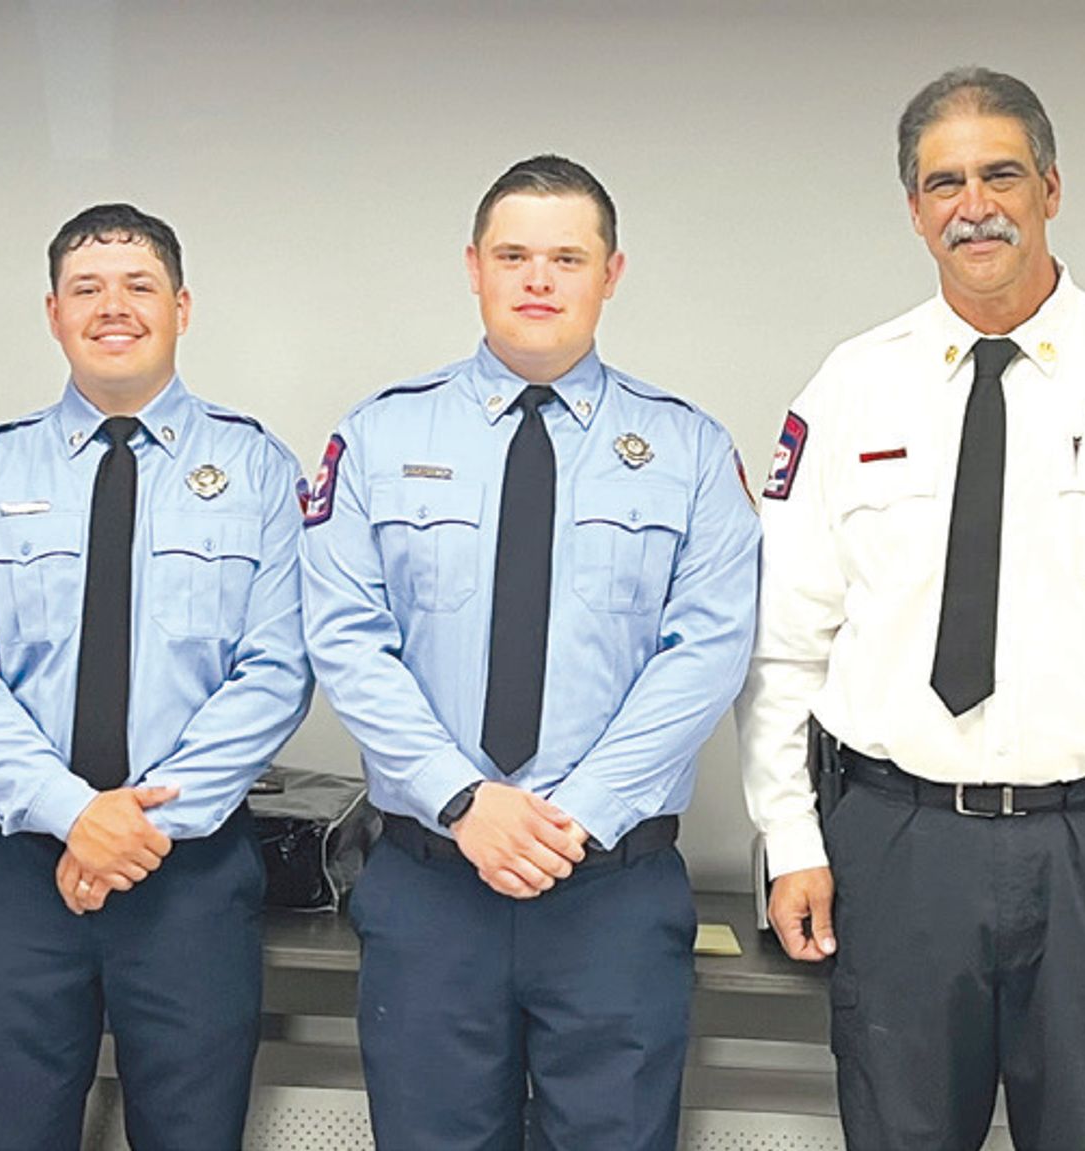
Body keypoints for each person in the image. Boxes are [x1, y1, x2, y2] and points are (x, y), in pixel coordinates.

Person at [738, 66, 1085, 1149]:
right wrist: (791, 835)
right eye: (944, 182)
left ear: (1053, 188)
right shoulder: (850, 388)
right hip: (901, 843)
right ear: (916, 208)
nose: (974, 204)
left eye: (1001, 174)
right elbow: (788, 646)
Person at [301, 154, 759, 1151]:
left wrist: (574, 818)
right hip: (431, 886)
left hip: (612, 894)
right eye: (514, 254)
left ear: (612, 272)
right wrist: (464, 800)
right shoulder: (381, 436)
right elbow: (346, 634)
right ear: (474, 266)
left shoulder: (686, 449)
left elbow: (707, 651)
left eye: (566, 255)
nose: (538, 278)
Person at [0, 202, 311, 1151]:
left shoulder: (258, 471)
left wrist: (135, 825)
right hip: (21, 873)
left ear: (181, 306)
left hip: (190, 874)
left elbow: (278, 668)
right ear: (53, 313)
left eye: (138, 286)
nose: (113, 306)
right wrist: (73, 812)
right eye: (86, 288)